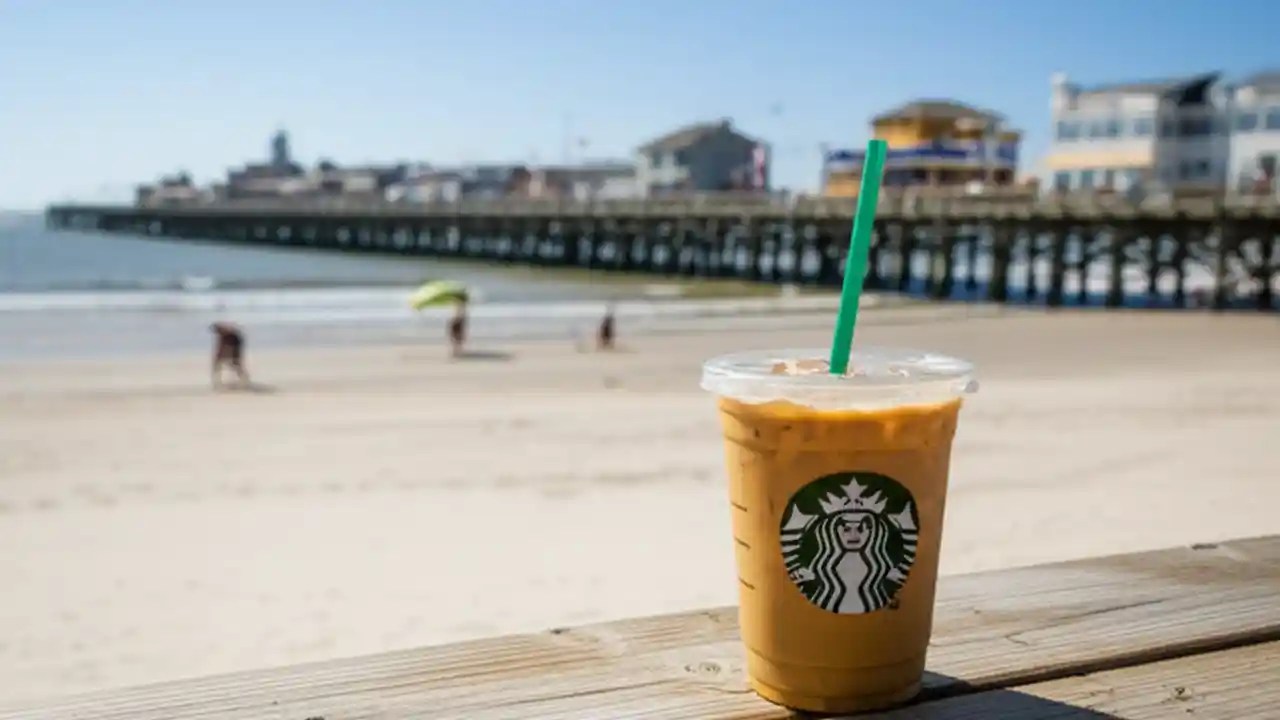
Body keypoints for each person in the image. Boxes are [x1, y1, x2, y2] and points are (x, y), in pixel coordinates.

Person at [210, 322, 250, 389]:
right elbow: (221, 346)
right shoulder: (224, 333)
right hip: (231, 350)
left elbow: (223, 346)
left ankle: (244, 380)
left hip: (233, 350)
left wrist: (221, 355)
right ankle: (244, 379)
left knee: (234, 365)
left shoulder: (228, 334)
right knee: (234, 366)